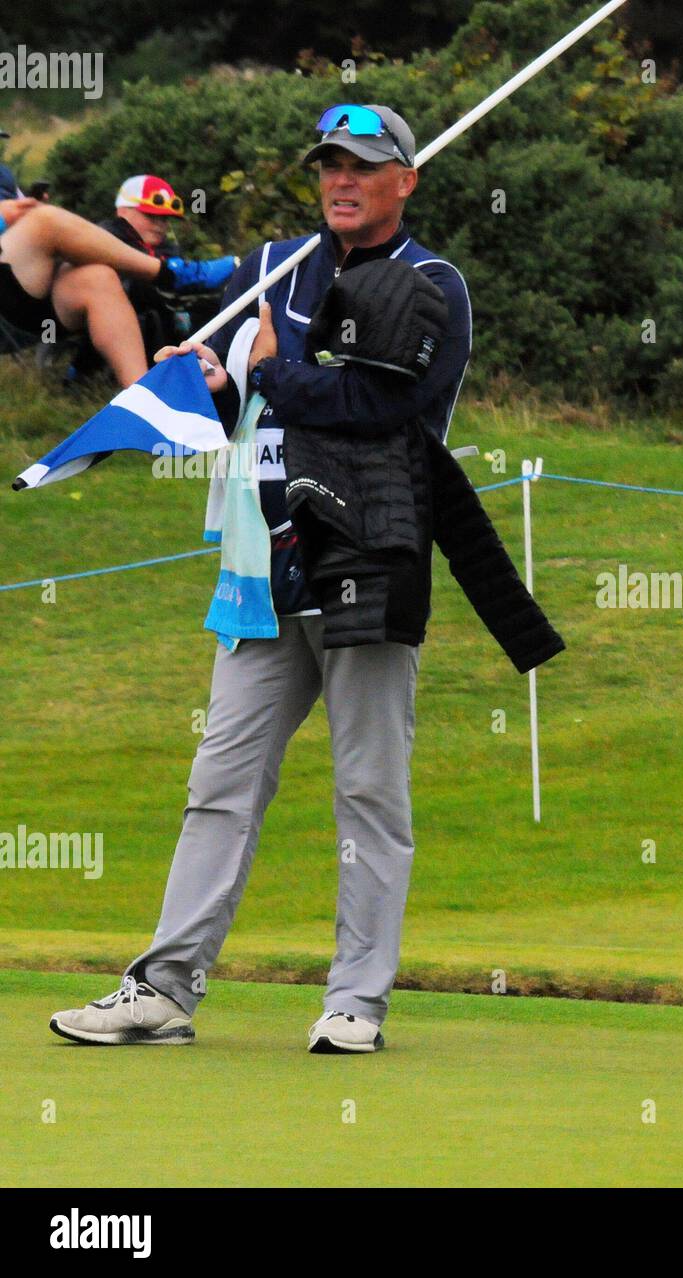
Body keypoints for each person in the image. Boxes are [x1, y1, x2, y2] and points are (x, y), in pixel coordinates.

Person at [49, 104, 562, 1055]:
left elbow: (381, 405)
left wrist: (278, 375)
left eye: (364, 165)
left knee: (369, 792)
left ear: (405, 179)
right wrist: (201, 377)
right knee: (221, 784)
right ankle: (163, 988)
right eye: (330, 163)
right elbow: (242, 383)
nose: (342, 179)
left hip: (368, 561)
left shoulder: (431, 285)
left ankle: (355, 1001)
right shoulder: (271, 266)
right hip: (259, 564)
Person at [0, 178, 234, 386]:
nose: (160, 224)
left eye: (165, 219)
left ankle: (142, 399)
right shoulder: (115, 232)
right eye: (151, 215)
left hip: (32, 295)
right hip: (15, 291)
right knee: (47, 220)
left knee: (98, 276)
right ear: (124, 210)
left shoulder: (6, 176)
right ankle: (171, 273)